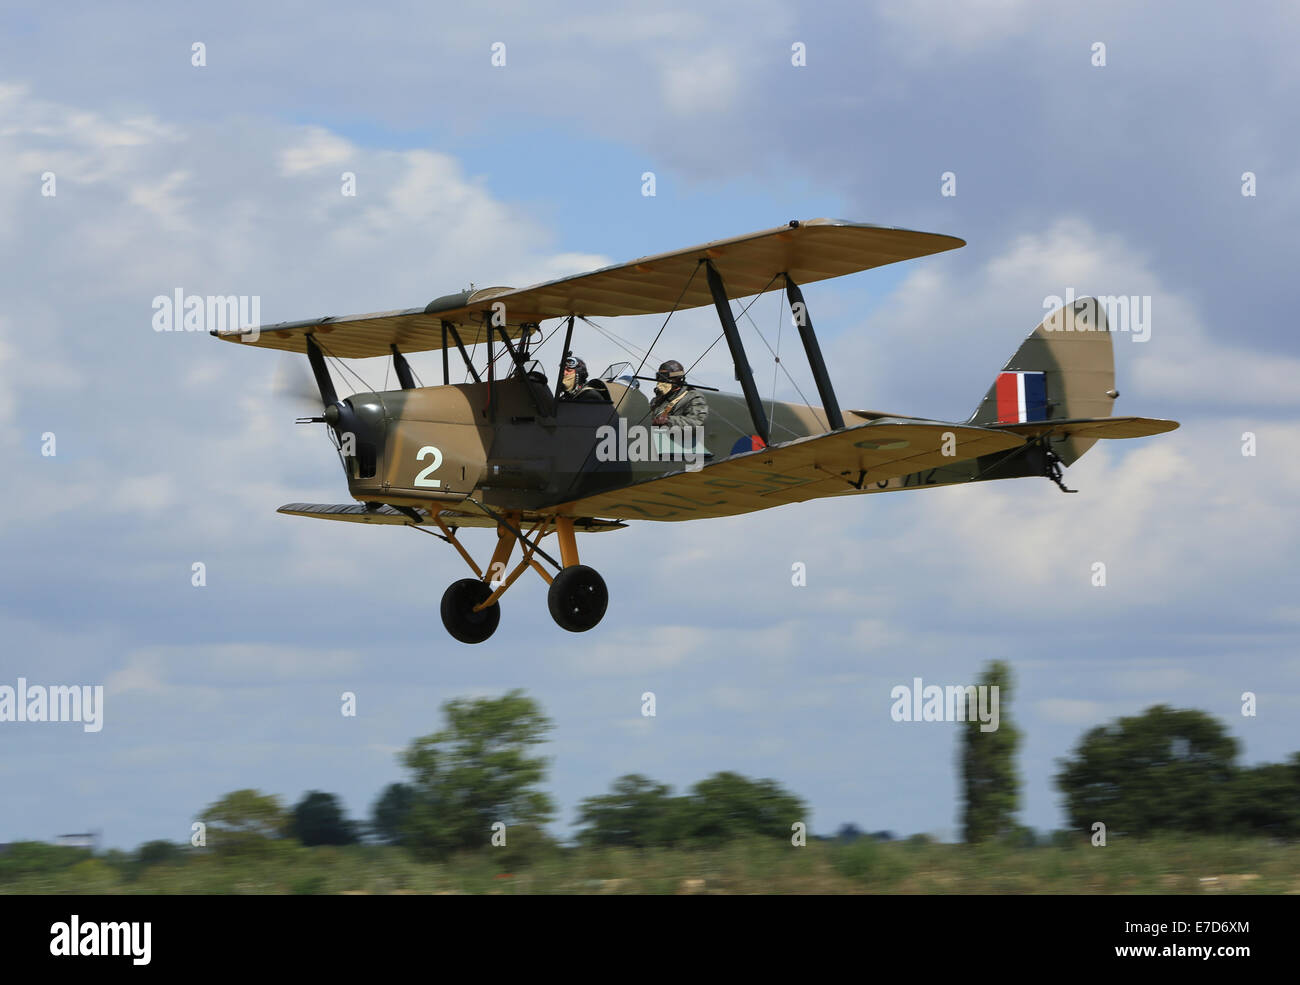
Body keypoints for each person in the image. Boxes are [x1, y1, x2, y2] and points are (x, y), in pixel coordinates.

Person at [649, 360, 707, 427]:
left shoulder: (692, 396)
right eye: (659, 377)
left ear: (677, 379)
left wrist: (668, 421)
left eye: (664, 377)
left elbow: (697, 421)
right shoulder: (656, 400)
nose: (661, 381)